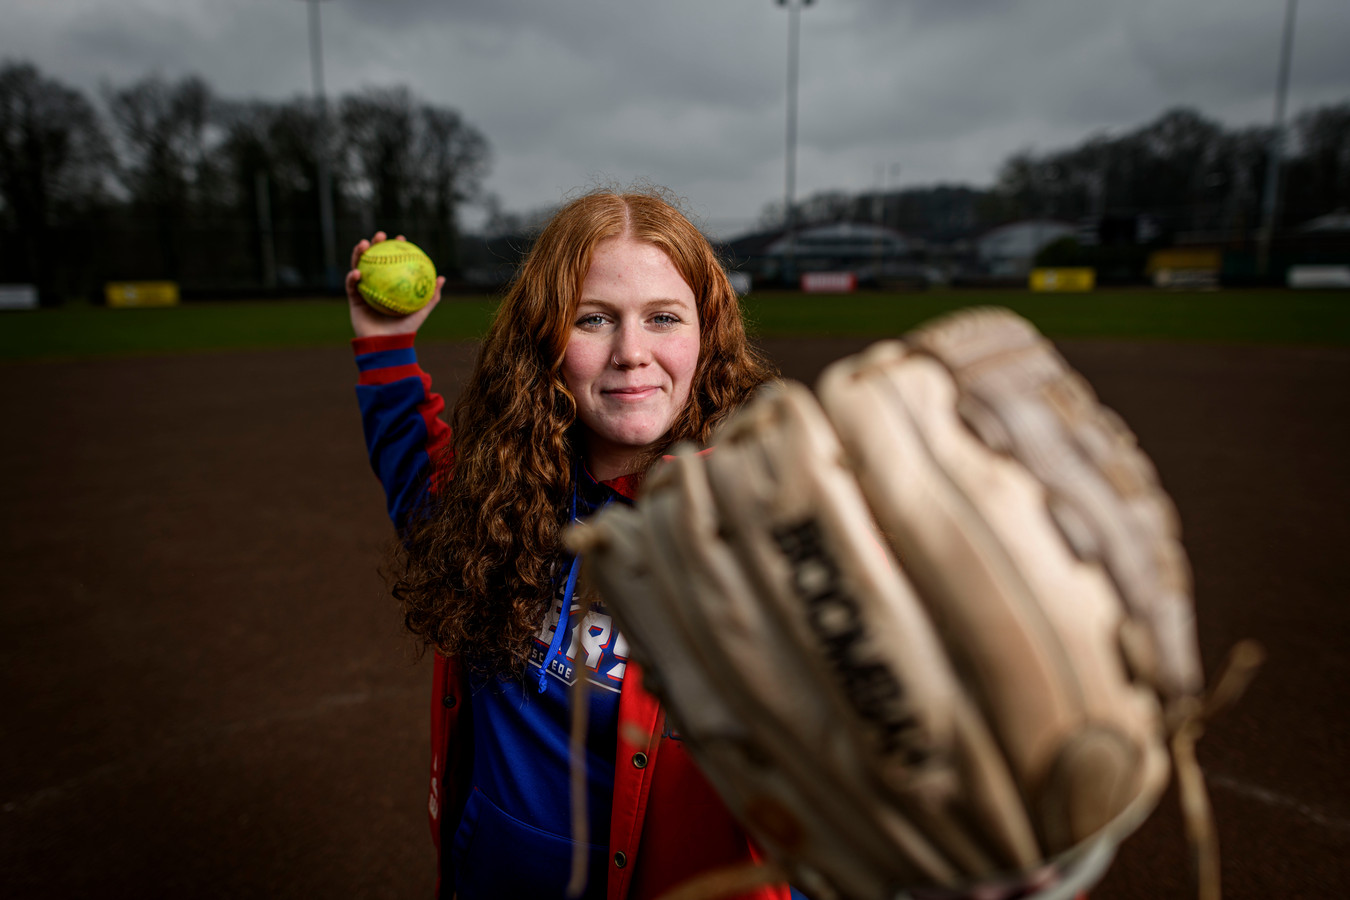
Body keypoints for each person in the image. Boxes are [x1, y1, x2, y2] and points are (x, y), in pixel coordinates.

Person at [346, 189, 794, 900]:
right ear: (545, 338)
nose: (631, 353)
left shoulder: (761, 533)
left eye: (664, 317)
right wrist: (383, 342)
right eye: (594, 319)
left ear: (705, 334)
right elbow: (412, 469)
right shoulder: (497, 501)